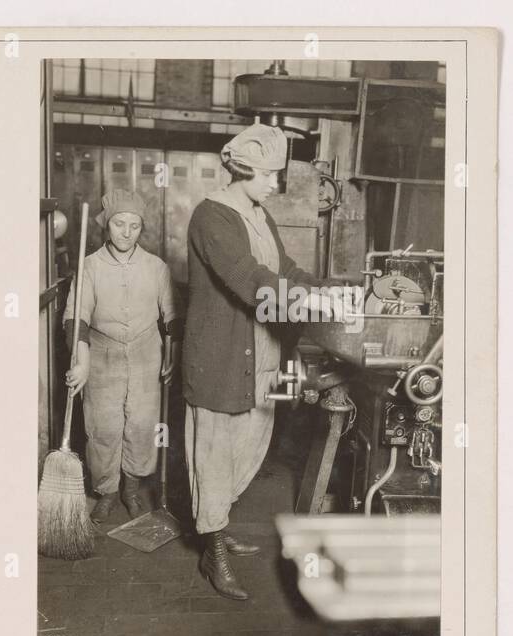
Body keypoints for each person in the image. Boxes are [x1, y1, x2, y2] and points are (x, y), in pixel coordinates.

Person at [182, 123, 345, 600]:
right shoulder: (212, 216)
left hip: (263, 355)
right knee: (213, 455)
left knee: (250, 444)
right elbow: (246, 276)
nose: (276, 185)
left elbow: (281, 269)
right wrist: (310, 304)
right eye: (271, 176)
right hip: (220, 358)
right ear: (245, 169)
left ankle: (219, 522)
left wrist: (324, 288)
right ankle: (213, 550)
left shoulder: (257, 212)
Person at [63, 190, 178, 523]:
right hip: (102, 356)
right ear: (105, 225)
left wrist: (171, 353)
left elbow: (172, 316)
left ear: (142, 229)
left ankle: (131, 486)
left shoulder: (156, 267)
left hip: (146, 355)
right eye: (119, 224)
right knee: (103, 428)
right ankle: (106, 491)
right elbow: (76, 318)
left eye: (134, 226)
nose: (126, 232)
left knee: (142, 426)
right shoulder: (90, 267)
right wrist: (82, 363)